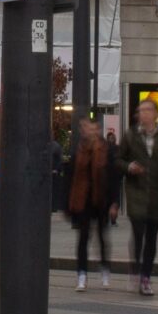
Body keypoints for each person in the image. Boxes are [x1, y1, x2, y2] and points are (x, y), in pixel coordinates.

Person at [119, 99, 158, 297]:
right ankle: (135, 268)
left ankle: (146, 277)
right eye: (140, 110)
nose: (143, 114)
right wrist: (129, 167)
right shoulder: (130, 135)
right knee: (138, 233)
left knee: (151, 237)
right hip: (136, 192)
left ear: (155, 113)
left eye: (147, 110)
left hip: (157, 194)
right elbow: (118, 159)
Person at [67, 118, 116, 291]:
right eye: (87, 128)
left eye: (93, 128)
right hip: (83, 200)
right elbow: (71, 178)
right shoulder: (78, 151)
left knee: (102, 238)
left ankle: (104, 271)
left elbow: (112, 177)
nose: (90, 131)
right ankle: (82, 275)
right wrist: (68, 206)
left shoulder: (106, 150)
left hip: (100, 200)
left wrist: (113, 203)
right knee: (83, 238)